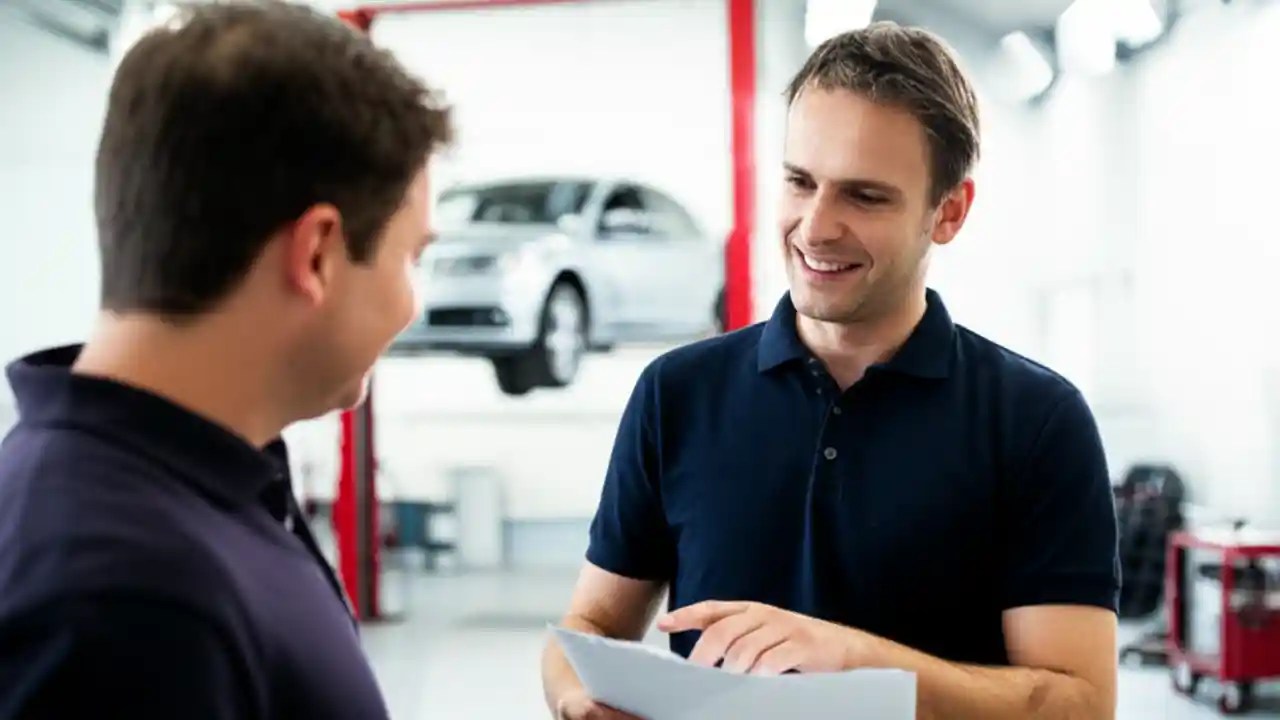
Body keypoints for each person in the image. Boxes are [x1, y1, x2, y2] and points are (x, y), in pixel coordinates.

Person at [543, 22, 1119, 720]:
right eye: (800, 182)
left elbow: (1081, 704)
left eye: (864, 196)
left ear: (949, 212)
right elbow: (591, 626)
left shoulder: (1037, 422)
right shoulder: (677, 394)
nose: (815, 227)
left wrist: (859, 663)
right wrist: (575, 698)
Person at [0, 2, 450, 717]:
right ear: (317, 254)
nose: (412, 305)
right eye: (411, 258)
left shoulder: (195, 490)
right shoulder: (127, 604)